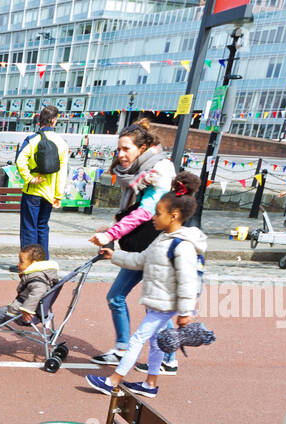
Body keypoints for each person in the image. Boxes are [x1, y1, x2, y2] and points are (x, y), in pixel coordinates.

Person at [85, 172, 207, 398]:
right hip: (157, 301)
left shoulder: (182, 246)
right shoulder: (162, 240)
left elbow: (188, 280)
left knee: (138, 339)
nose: (153, 217)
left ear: (174, 216)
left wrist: (186, 311)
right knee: (156, 341)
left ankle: (113, 380)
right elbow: (140, 260)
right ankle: (150, 384)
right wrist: (114, 256)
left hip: (164, 303)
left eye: (158, 214)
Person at [88, 119, 175, 368]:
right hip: (139, 246)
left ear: (143, 147)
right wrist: (112, 230)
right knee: (116, 296)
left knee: (155, 308)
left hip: (158, 247)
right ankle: (122, 347)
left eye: (126, 149)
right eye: (119, 149)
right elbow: (133, 211)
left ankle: (169, 358)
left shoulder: (160, 170)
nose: (121, 154)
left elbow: (146, 212)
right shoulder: (139, 171)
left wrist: (110, 234)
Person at [15, 106, 69, 256]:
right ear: (54, 120)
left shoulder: (33, 140)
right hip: (49, 193)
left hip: (33, 191)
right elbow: (62, 172)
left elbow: (20, 161)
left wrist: (30, 178)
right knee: (42, 227)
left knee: (29, 227)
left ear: (40, 120)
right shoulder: (62, 143)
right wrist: (58, 195)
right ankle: (43, 260)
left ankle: (29, 261)